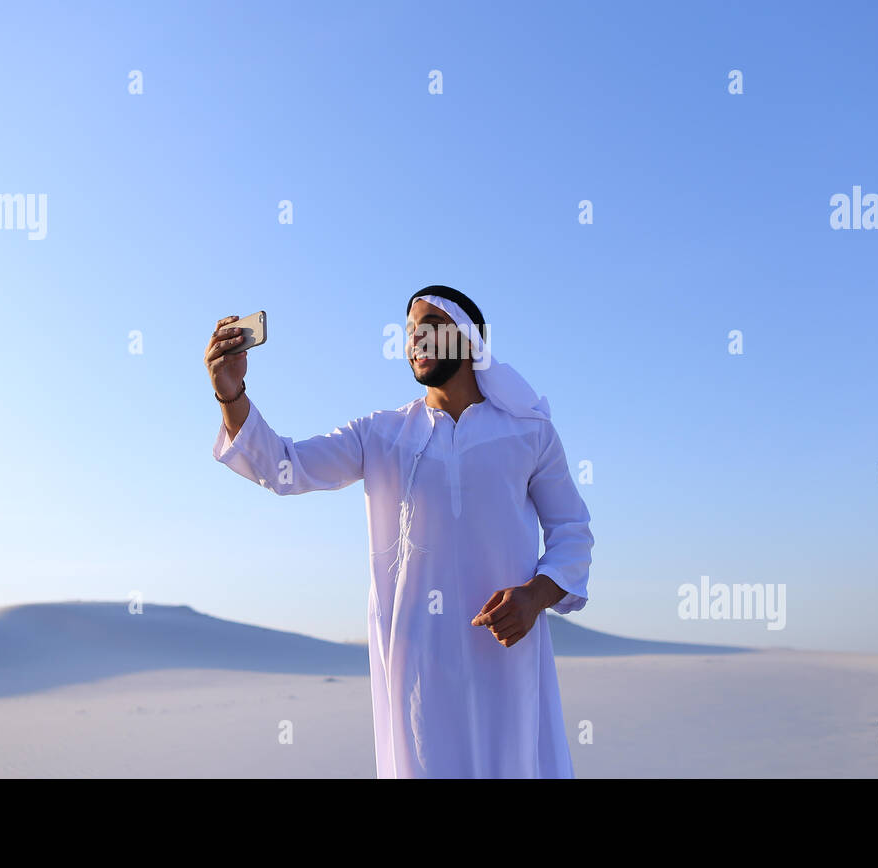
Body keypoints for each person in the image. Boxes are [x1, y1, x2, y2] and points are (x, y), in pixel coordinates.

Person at [205, 285, 593, 778]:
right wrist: (230, 393)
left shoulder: (529, 432)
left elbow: (573, 530)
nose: (417, 340)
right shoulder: (381, 434)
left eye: (432, 327)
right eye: (410, 332)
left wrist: (535, 596)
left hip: (507, 658)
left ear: (472, 339)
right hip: (418, 671)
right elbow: (287, 468)